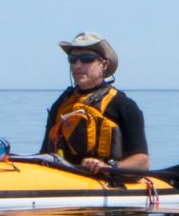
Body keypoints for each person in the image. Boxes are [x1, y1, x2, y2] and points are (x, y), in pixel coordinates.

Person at [40, 33, 151, 176]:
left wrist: (109, 166)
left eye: (87, 59)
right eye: (72, 60)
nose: (78, 65)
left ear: (103, 64)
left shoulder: (124, 106)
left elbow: (142, 162)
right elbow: (44, 153)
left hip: (105, 180)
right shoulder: (61, 103)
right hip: (65, 178)